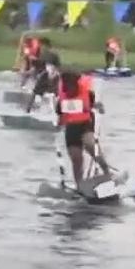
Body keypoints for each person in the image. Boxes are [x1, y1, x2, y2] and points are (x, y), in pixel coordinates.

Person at [50, 60, 113, 189]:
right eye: (66, 84)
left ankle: (108, 173)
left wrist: (99, 107)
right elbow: (61, 114)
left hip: (85, 124)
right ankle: (80, 186)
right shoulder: (62, 95)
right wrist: (58, 125)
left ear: (76, 83)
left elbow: (92, 104)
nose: (68, 88)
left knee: (91, 145)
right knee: (76, 159)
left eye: (71, 85)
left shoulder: (86, 91)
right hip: (71, 128)